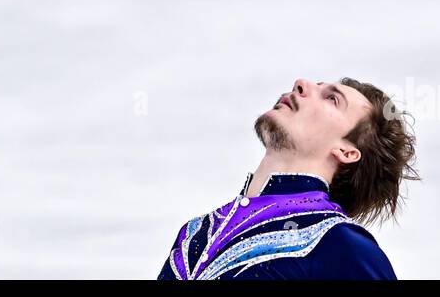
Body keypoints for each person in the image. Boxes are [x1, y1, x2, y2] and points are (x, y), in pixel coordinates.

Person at [159, 77, 417, 280]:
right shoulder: (194, 233)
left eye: (331, 99)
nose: (301, 84)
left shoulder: (341, 245)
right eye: (317, 86)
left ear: (346, 151)